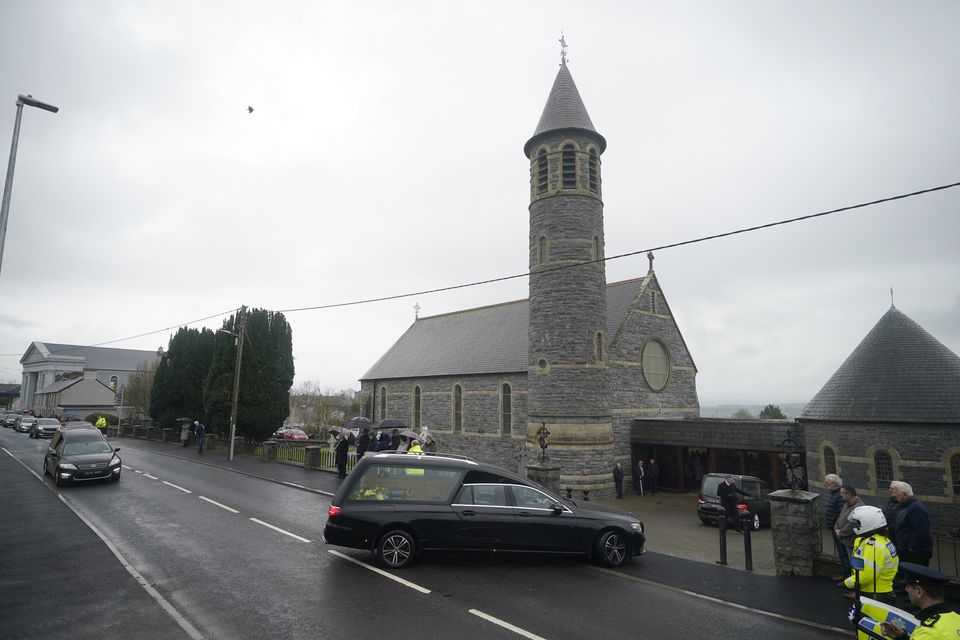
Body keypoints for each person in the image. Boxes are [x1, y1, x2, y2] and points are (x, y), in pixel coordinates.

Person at [878, 563, 960, 639]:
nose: (906, 589)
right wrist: (902, 637)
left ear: (919, 591)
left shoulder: (928, 633)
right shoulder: (956, 618)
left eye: (908, 586)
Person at [843, 505, 899, 605]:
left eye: (858, 523)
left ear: (868, 523)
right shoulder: (879, 540)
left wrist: (847, 583)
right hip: (878, 591)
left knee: (868, 620)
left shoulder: (873, 546)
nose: (856, 526)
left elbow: (867, 576)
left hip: (875, 594)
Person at [890, 481, 933, 567]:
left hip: (915, 552)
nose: (895, 495)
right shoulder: (903, 506)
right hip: (905, 548)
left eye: (896, 493)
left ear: (904, 494)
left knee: (915, 575)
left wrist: (911, 547)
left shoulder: (916, 508)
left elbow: (921, 530)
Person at [835, 485, 865, 582]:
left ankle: (855, 590)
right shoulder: (846, 504)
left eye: (842, 493)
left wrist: (841, 533)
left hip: (851, 541)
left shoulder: (858, 507)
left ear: (848, 494)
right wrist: (836, 528)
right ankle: (848, 582)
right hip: (844, 539)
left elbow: (852, 524)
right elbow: (840, 518)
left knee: (854, 565)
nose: (840, 495)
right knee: (847, 561)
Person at [824, 474, 848, 580]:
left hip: (839, 530)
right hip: (835, 528)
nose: (826, 485)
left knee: (844, 554)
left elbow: (842, 513)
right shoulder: (835, 494)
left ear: (834, 483)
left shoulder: (839, 495)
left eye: (828, 482)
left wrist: (838, 528)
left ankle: (847, 577)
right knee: (841, 554)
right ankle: (844, 574)